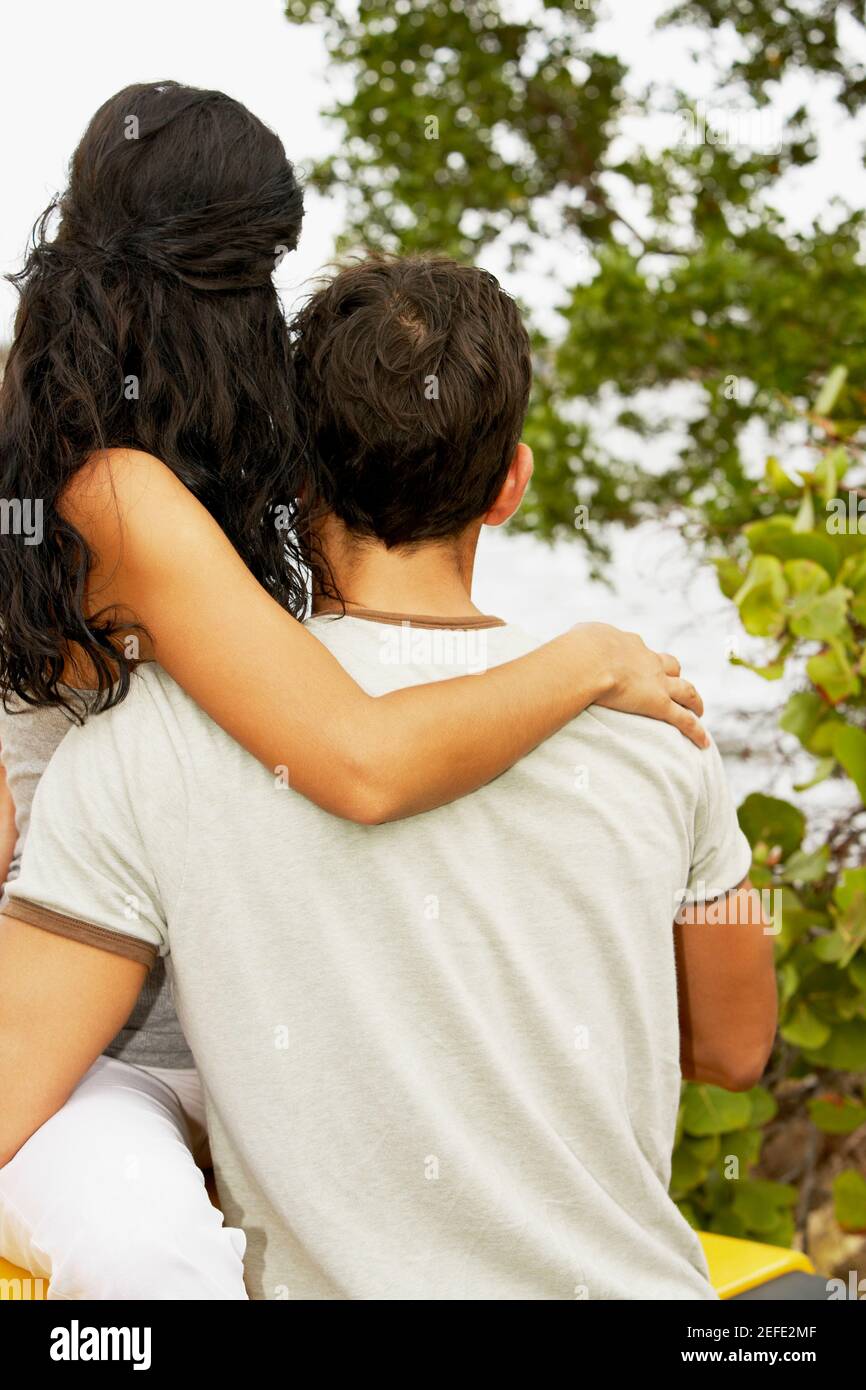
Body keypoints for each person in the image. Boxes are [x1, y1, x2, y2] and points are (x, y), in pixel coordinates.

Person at [0, 84, 706, 1300]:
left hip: (241, 1016)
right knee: (152, 1269)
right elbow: (361, 758)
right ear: (212, 276)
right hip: (102, 1046)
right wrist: (588, 659)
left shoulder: (139, 446)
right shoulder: (118, 492)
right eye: (262, 265)